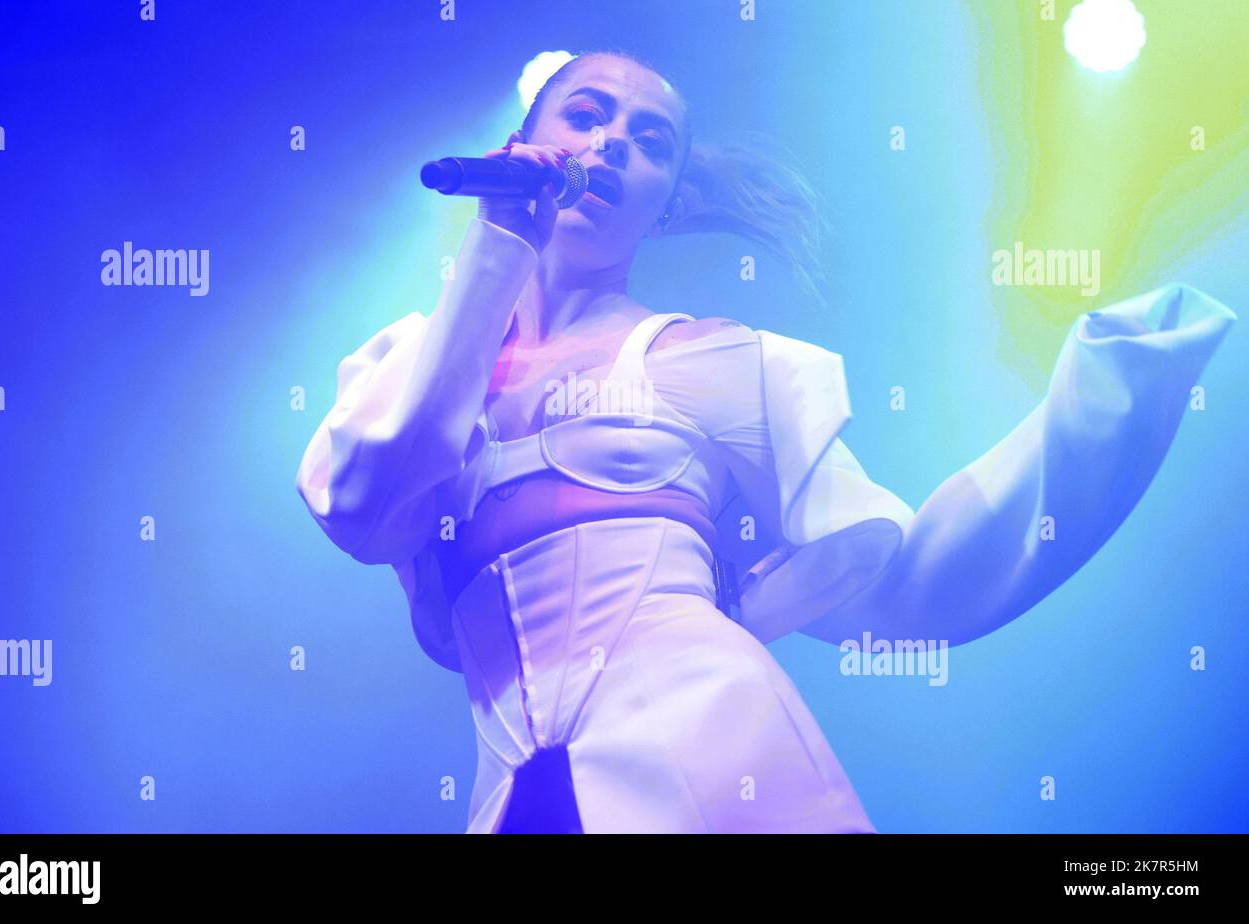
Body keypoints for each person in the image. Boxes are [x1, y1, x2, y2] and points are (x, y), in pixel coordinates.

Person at [295, 50, 1235, 833]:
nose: (612, 141)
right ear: (523, 145)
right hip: (513, 793)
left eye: (649, 140)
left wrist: (1116, 390)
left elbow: (904, 584)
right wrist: (499, 241)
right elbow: (368, 510)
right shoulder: (410, 364)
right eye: (585, 114)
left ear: (662, 202)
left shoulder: (720, 361)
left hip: (713, 748)